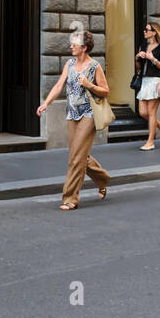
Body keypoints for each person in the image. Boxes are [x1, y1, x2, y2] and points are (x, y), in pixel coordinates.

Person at [38, 29, 110, 211]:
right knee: (78, 155)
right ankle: (102, 179)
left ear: (84, 48)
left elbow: (105, 91)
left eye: (74, 44)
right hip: (72, 113)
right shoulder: (69, 64)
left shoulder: (95, 66)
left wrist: (89, 84)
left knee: (76, 158)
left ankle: (70, 199)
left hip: (89, 114)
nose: (71, 46)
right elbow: (59, 85)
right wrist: (46, 103)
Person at [135, 20, 160, 151]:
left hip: (155, 82)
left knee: (151, 113)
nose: (144, 32)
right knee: (142, 112)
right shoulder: (143, 46)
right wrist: (138, 58)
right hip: (144, 81)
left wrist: (153, 59)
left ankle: (150, 141)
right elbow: (139, 67)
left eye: (147, 30)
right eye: (144, 30)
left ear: (154, 33)